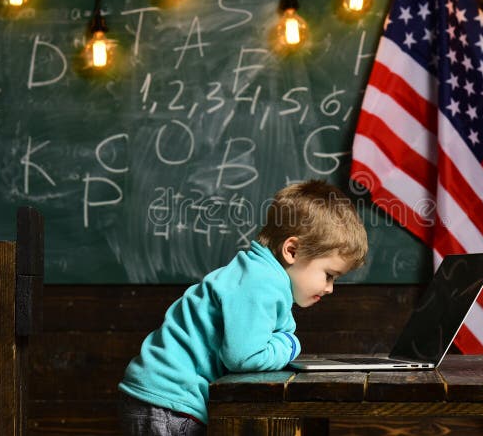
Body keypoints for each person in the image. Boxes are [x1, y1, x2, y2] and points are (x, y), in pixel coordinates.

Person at [118, 180, 368, 436]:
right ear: (292, 250)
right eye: (329, 275)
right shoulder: (261, 283)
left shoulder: (257, 273)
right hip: (169, 404)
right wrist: (290, 345)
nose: (329, 288)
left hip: (161, 399)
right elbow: (244, 357)